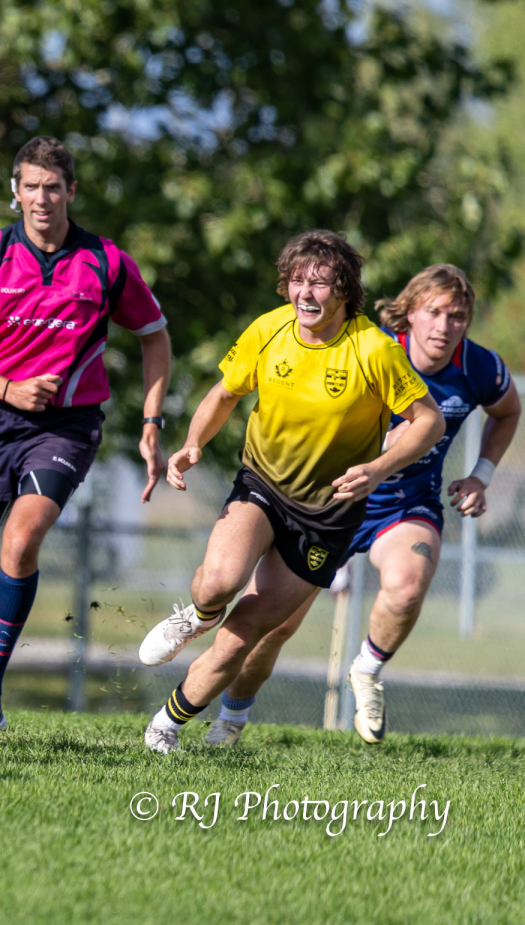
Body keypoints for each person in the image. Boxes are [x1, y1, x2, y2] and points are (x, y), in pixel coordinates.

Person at [136, 231, 444, 753]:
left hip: (329, 515)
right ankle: (197, 615)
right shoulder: (268, 330)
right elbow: (226, 392)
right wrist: (192, 444)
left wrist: (376, 468)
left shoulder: (372, 348)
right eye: (298, 280)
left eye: (321, 283)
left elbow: (429, 422)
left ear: (345, 292)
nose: (306, 292)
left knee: (248, 630)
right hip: (262, 483)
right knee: (217, 583)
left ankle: (166, 727)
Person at [200, 264, 518, 746]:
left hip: (404, 505)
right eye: (433, 312)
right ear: (409, 314)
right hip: (325, 506)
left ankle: (367, 669)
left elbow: (508, 410)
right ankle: (231, 720)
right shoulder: (373, 348)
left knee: (408, 585)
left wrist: (482, 475)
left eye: (457, 316)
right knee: (272, 630)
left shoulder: (478, 367)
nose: (444, 326)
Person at [0, 136, 172, 729]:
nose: (42, 198)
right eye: (31, 187)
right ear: (15, 193)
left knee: (20, 543)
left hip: (66, 426)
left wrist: (150, 421)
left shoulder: (107, 263)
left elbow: (155, 337)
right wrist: (5, 385)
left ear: (72, 191)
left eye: (53, 187)